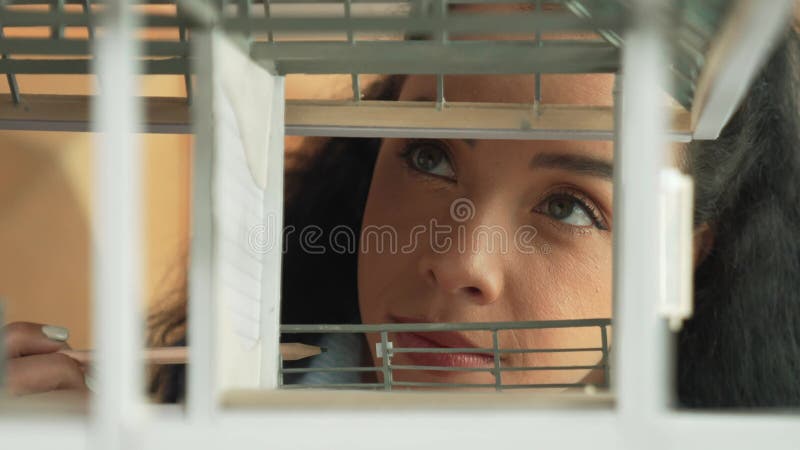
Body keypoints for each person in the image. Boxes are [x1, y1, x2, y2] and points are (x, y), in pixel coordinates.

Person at [4, 20, 799, 409]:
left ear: (687, 253)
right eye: (426, 156)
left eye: (569, 206)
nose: (458, 262)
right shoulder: (170, 411)